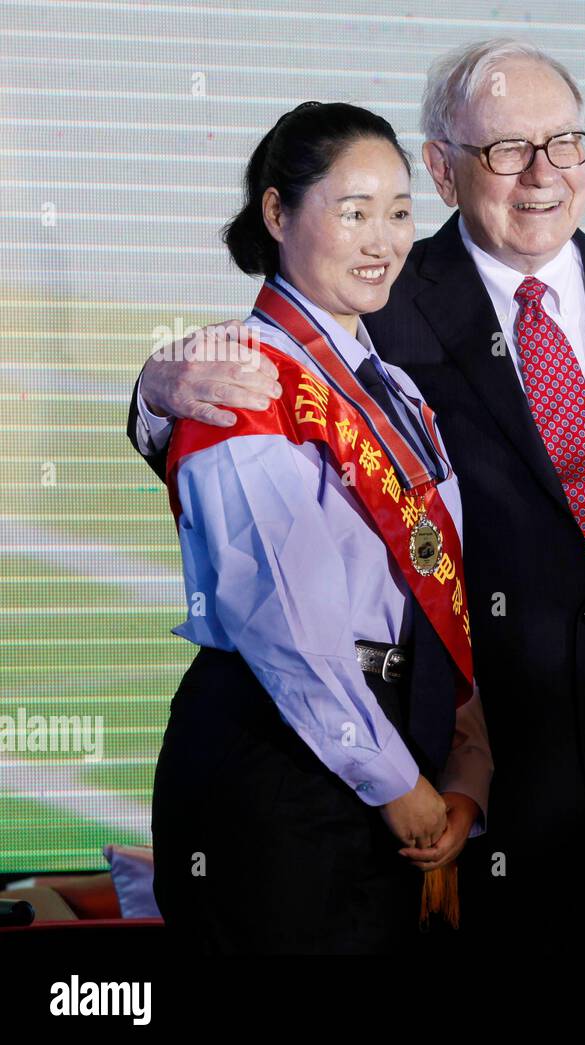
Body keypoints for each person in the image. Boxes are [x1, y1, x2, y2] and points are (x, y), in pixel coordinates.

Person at [130, 40, 585, 954]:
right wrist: (151, 392)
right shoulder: (376, 296)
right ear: (446, 171)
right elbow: (247, 404)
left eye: (565, 143)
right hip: (458, 790)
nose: (542, 174)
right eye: (505, 150)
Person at [149, 101, 492, 954]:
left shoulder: (397, 391)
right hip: (286, 758)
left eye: (400, 211)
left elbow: (434, 583)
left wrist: (461, 761)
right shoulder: (229, 377)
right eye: (354, 212)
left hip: (392, 746)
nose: (384, 239)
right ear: (277, 213)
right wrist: (397, 786)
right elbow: (282, 621)